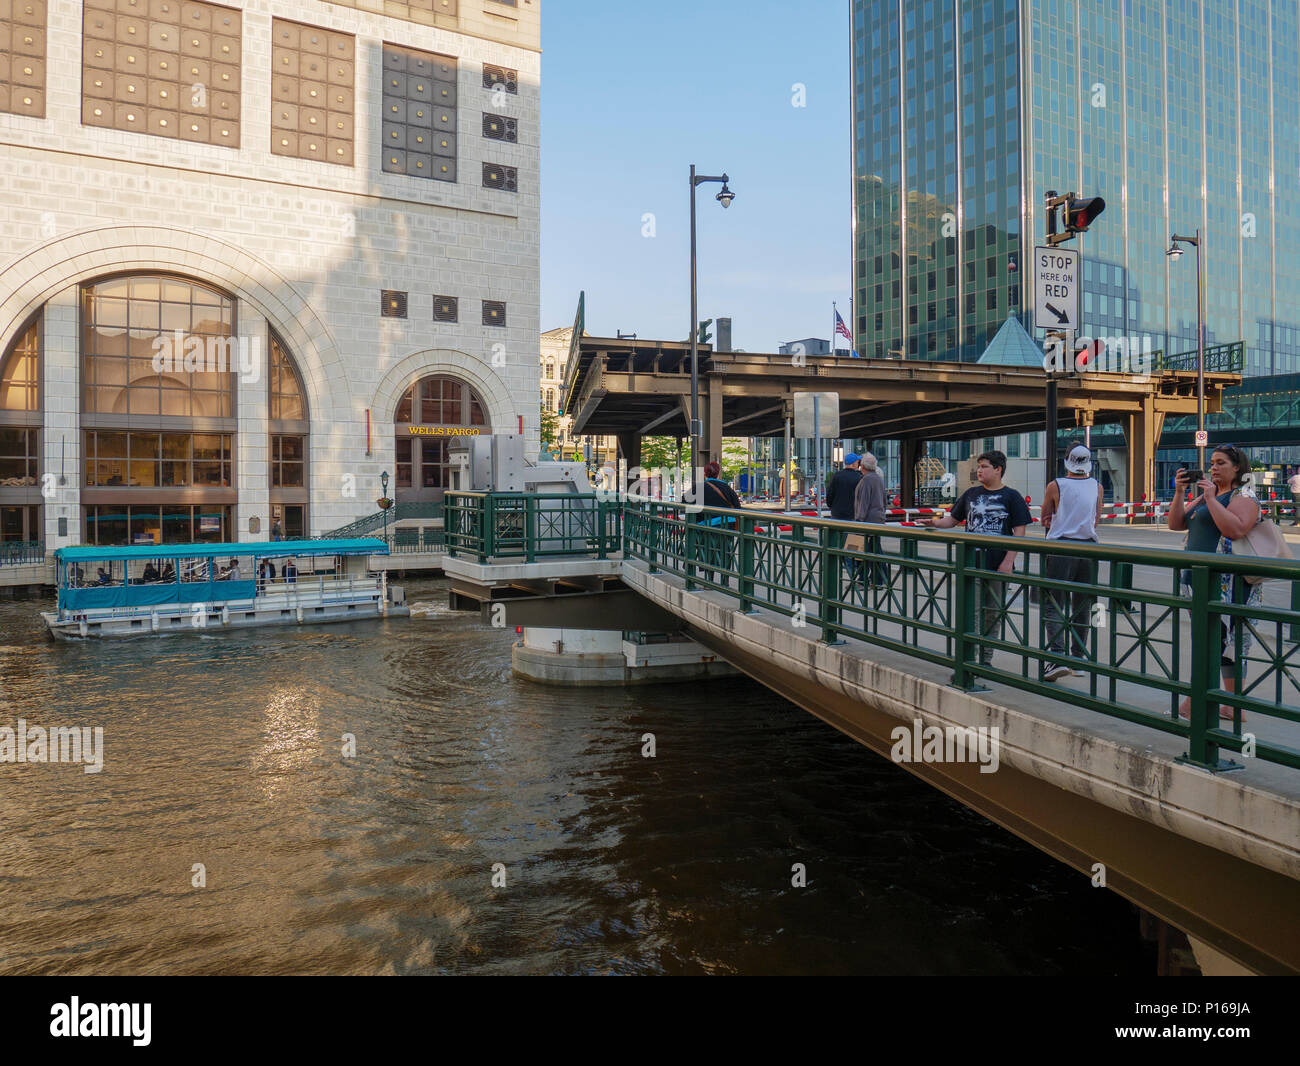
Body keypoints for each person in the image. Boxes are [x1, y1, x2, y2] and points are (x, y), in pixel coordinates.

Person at [1168, 445, 1262, 722]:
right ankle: (1230, 706)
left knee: (1221, 642)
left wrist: (1210, 499)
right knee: (1213, 641)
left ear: (1237, 467)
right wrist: (1179, 493)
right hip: (1199, 580)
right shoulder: (1207, 495)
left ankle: (1198, 703)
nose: (1214, 467)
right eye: (1212, 463)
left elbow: (1235, 529)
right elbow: (1176, 524)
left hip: (1226, 583)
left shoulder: (1242, 496)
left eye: (1221, 463)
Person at [921, 450, 1031, 668]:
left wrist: (1009, 561)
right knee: (970, 613)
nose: (979, 471)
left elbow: (1019, 531)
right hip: (972, 562)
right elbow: (952, 520)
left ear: (998, 469)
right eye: (978, 467)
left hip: (998, 564)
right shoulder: (971, 494)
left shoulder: (1012, 497)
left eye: (984, 466)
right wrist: (934, 523)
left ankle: (986, 660)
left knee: (993, 614)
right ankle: (968, 659)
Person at [1038, 443, 1104, 682]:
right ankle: (1079, 657)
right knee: (1083, 604)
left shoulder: (1056, 485)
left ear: (1066, 460)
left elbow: (1045, 517)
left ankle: (1056, 657)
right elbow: (1096, 520)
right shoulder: (1097, 486)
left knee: (1053, 603)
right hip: (1088, 547)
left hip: (1061, 546)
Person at [852, 452, 889, 588]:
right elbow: (884, 501)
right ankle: (877, 579)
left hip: (867, 521)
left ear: (862, 466)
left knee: (863, 551)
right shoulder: (878, 479)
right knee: (874, 549)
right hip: (878, 520)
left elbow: (863, 503)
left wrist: (858, 521)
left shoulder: (866, 480)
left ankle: (865, 580)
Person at [827, 454, 862, 521]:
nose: (858, 465)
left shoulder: (836, 476)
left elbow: (830, 495)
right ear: (854, 464)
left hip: (837, 514)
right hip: (852, 514)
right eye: (858, 462)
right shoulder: (859, 477)